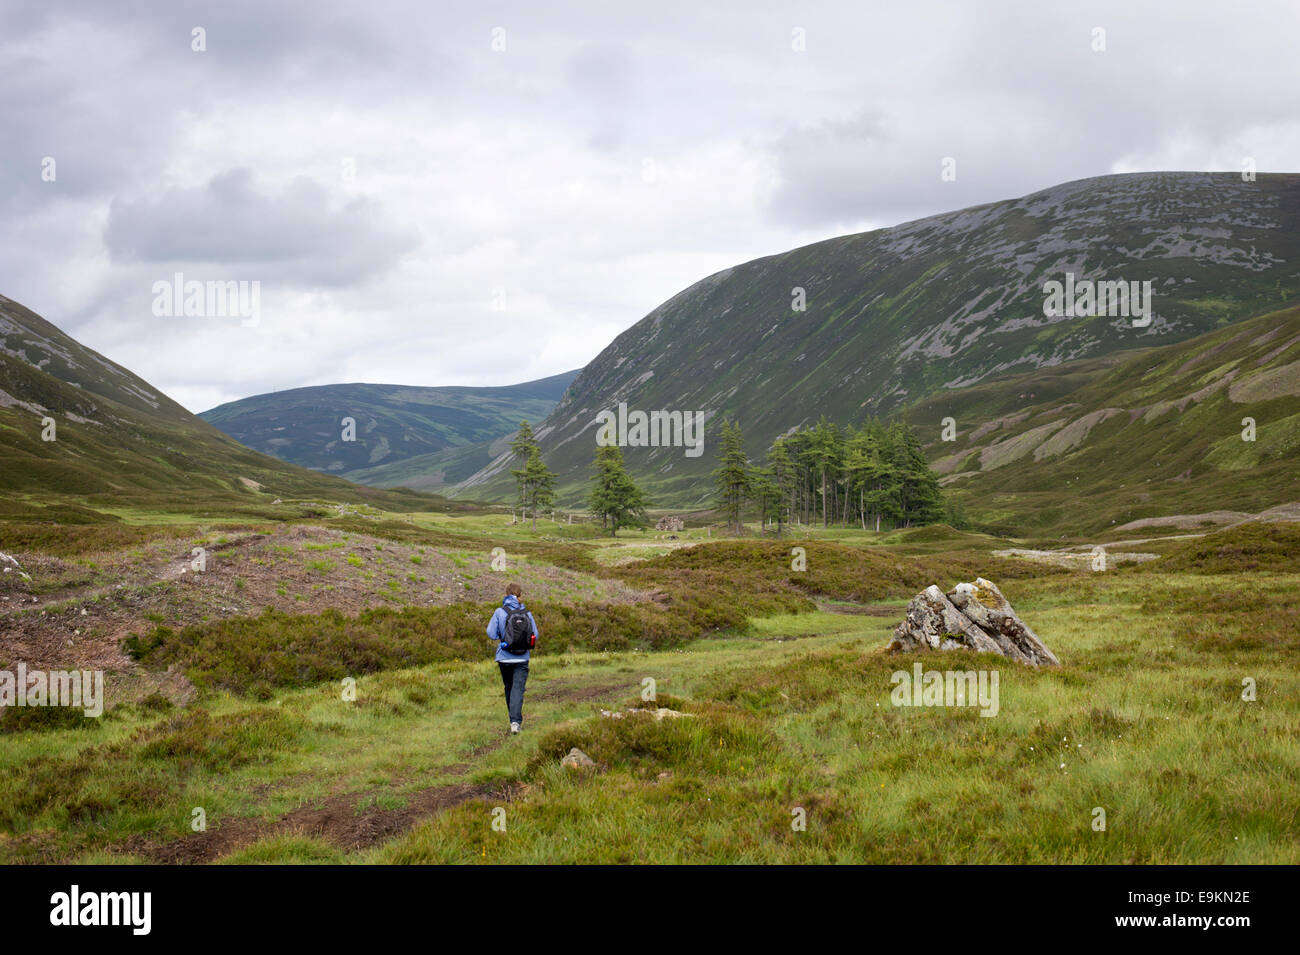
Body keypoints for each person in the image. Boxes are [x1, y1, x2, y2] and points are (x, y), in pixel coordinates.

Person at [486, 582, 538, 735]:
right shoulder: (527, 613)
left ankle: (513, 720)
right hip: (522, 658)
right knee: (518, 690)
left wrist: (502, 639)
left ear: (506, 594)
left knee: (509, 688)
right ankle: (515, 721)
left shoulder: (499, 612)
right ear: (520, 596)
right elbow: (536, 634)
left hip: (504, 658)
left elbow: (490, 633)